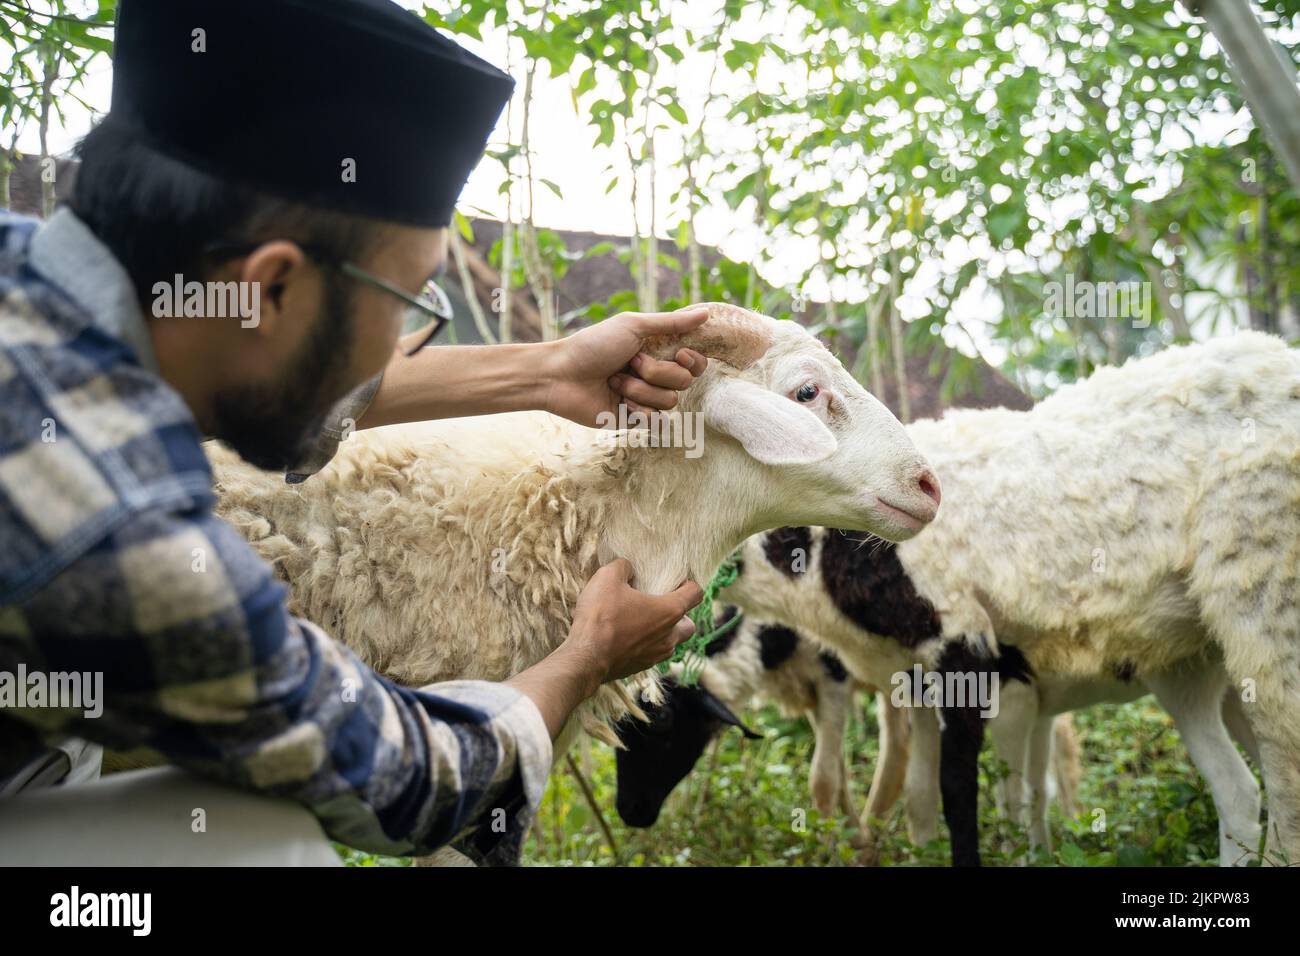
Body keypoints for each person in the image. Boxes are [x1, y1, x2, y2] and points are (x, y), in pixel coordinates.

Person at [0, 0, 707, 865]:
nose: (399, 339)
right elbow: (396, 779)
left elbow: (250, 380)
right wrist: (586, 657)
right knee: (268, 843)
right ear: (267, 287)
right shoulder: (112, 521)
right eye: (408, 301)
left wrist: (549, 372)